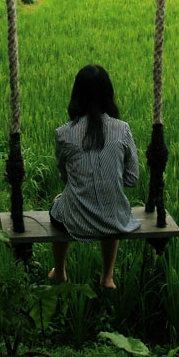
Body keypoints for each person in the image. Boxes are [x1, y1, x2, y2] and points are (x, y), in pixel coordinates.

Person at [48, 64, 140, 289]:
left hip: (75, 221)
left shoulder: (64, 133)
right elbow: (132, 178)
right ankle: (107, 276)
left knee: (58, 204)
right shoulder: (123, 129)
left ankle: (59, 271)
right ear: (108, 94)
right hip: (115, 219)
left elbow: (64, 175)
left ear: (76, 95)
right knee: (112, 206)